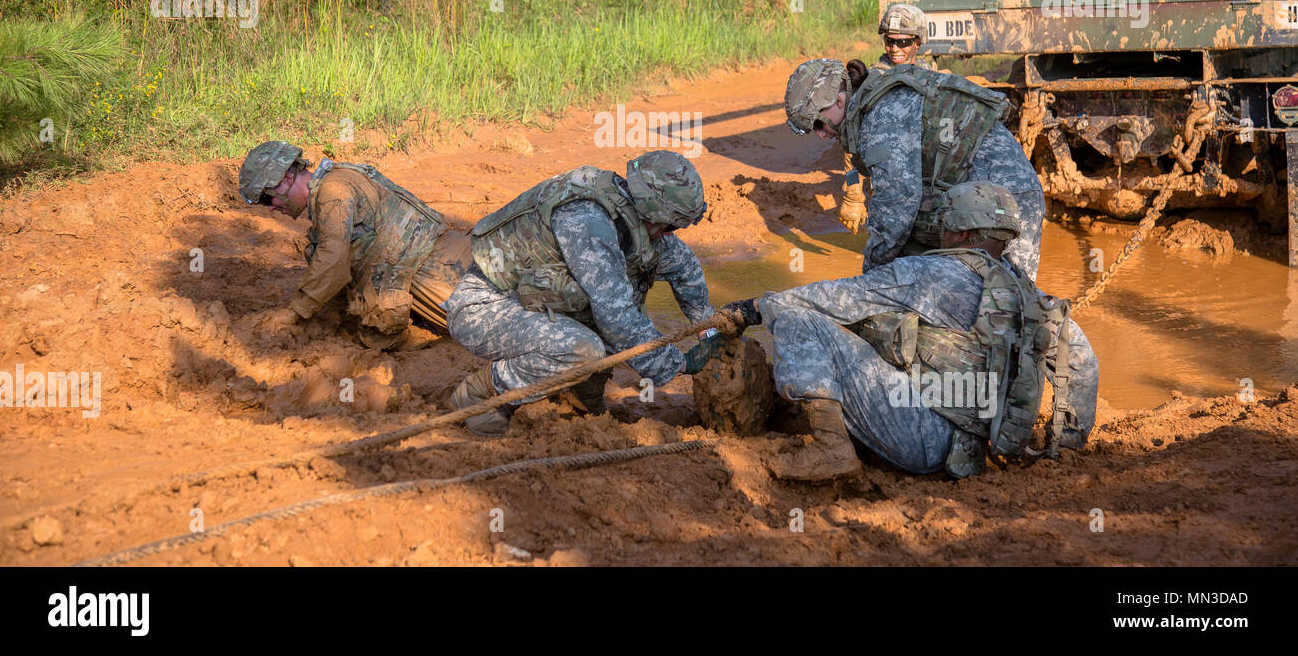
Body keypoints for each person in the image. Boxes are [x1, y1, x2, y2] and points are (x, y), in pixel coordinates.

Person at [721, 182, 1098, 481]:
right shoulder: (1029, 294)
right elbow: (1083, 362)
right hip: (969, 448)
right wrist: (1066, 447)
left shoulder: (925, 273)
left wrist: (754, 307)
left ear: (961, 231)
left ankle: (830, 448)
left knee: (798, 320)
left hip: (919, 438)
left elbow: (830, 299)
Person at [444, 150, 722, 436]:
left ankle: (582, 393)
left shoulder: (631, 215)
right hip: (485, 307)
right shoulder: (587, 220)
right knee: (586, 348)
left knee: (624, 304)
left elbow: (685, 268)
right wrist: (679, 363)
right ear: (654, 213)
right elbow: (618, 318)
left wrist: (707, 331)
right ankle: (482, 395)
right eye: (671, 226)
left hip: (532, 304)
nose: (670, 234)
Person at [785, 53, 1046, 282]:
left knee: (1007, 306)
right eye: (812, 130)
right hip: (990, 196)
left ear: (839, 100)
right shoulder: (873, 100)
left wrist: (870, 282)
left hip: (1008, 203)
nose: (820, 135)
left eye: (818, 124)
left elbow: (897, 206)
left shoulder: (881, 117)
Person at [238, 141, 470, 350]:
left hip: (442, 272)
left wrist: (295, 311)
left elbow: (333, 258)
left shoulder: (332, 192)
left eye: (268, 198)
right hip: (434, 264)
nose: (270, 208)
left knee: (484, 333)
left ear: (287, 179)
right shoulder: (334, 181)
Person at [839, 4, 941, 234]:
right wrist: (854, 195)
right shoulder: (873, 81)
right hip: (887, 191)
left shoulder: (929, 75)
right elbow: (850, 143)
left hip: (923, 189)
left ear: (917, 42)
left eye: (903, 42)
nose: (895, 48)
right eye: (889, 41)